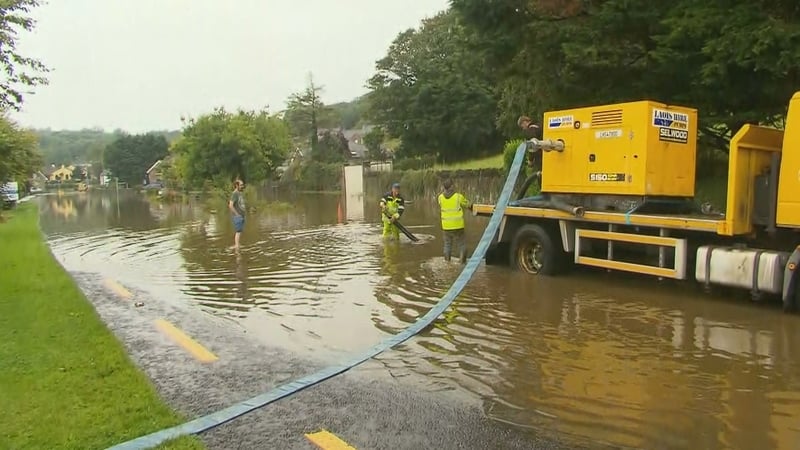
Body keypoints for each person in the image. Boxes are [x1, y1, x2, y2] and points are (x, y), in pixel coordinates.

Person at [437, 178, 472, 263]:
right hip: (458, 225)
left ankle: (447, 262)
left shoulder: (440, 198)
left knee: (447, 245)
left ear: (444, 187)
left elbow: (441, 204)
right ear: (452, 186)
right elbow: (468, 205)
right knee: (462, 244)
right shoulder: (458, 197)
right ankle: (462, 262)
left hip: (446, 226)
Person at [228, 179, 246, 249]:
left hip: (241, 216)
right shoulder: (235, 193)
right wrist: (237, 214)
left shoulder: (239, 193)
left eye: (242, 185)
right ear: (236, 185)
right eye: (241, 185)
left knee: (240, 231)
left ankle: (237, 245)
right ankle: (237, 246)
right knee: (238, 231)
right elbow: (230, 205)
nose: (242, 186)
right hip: (238, 216)